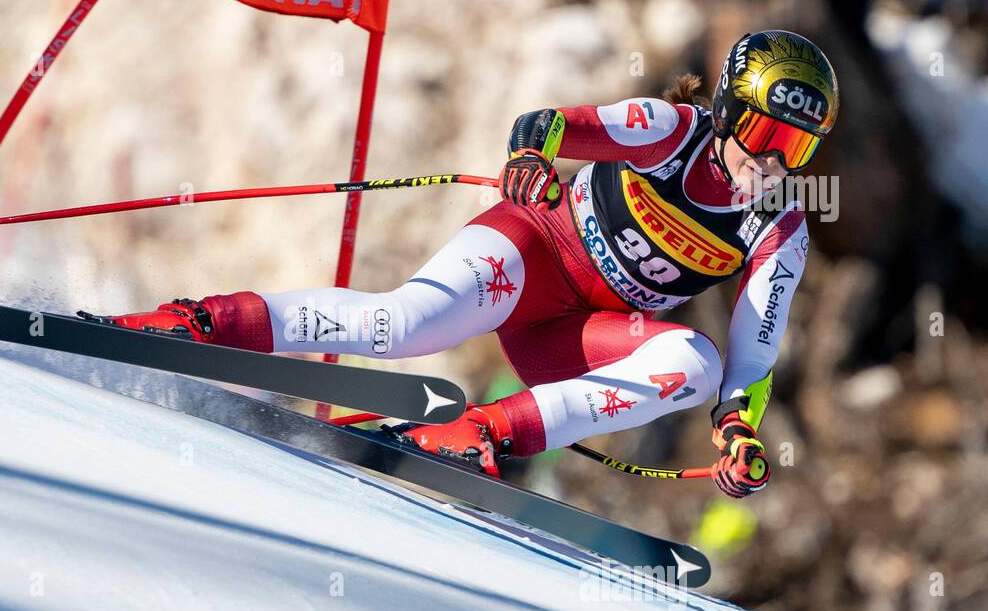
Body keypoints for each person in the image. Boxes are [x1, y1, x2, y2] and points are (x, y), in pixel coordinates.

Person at [92, 30, 838, 499]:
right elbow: (548, 124)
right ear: (727, 113)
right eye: (766, 132)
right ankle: (198, 324)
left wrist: (738, 427)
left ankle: (484, 433)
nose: (775, 160)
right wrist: (528, 160)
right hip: (534, 252)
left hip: (579, 335)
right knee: (403, 325)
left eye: (799, 148)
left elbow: (755, 352)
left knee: (699, 364)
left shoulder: (779, 226)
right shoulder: (668, 132)